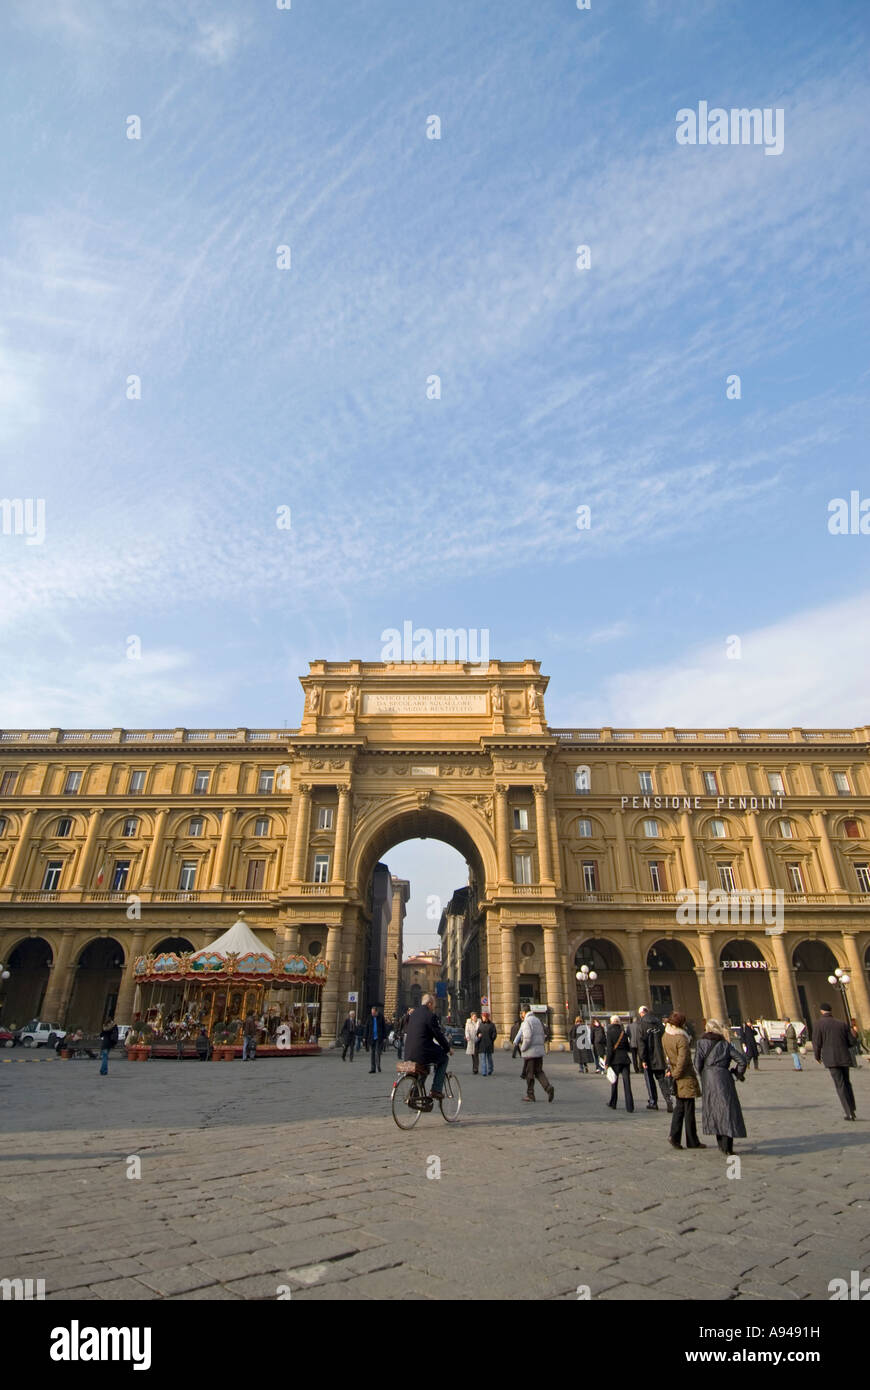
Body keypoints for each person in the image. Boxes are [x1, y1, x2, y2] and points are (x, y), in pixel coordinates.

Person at [695, 1019, 747, 1155]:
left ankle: (720, 1145)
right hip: (724, 1077)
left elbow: (697, 1064)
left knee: (713, 1109)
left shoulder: (701, 1043)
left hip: (708, 1078)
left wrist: (704, 1074)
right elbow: (742, 1061)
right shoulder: (725, 1044)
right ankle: (728, 1146)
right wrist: (737, 1074)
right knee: (727, 1110)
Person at [662, 1012, 706, 1150]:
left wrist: (672, 1072)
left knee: (680, 1108)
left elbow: (668, 1057)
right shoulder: (681, 1038)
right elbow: (683, 1059)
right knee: (688, 1109)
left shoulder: (665, 1036)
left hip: (675, 1073)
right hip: (684, 1076)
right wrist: (677, 1074)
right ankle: (692, 1141)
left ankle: (674, 1136)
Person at [813, 1004, 857, 1120]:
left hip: (831, 1059)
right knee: (847, 1083)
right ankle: (852, 1109)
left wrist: (817, 1056)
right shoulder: (842, 1023)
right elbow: (852, 1041)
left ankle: (849, 1113)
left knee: (840, 1085)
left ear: (822, 1011)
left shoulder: (819, 1024)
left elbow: (817, 1043)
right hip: (844, 1056)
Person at [402, 993, 451, 1098]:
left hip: (408, 1052)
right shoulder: (430, 1016)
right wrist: (447, 1048)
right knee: (444, 1059)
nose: (434, 1007)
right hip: (422, 1051)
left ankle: (415, 1093)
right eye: (434, 1005)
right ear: (429, 1004)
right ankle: (436, 1089)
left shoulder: (414, 1014)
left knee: (424, 1069)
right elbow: (438, 1035)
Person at [513, 1004, 554, 1103]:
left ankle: (530, 1095)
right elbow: (544, 1034)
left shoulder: (527, 1022)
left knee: (529, 1074)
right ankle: (548, 1088)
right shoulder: (537, 1020)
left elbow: (527, 1038)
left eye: (521, 1013)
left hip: (530, 1052)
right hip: (539, 1051)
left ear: (524, 1013)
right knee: (539, 1072)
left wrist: (523, 1048)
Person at [637, 1005, 673, 1112]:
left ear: (642, 1013)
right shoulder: (659, 1024)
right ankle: (668, 1100)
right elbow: (665, 1039)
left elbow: (641, 1043)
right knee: (662, 1080)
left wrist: (643, 1059)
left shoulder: (642, 1024)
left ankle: (653, 1102)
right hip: (659, 1056)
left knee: (650, 1081)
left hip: (648, 1057)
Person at [604, 1014, 633, 1112]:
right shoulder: (623, 1032)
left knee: (614, 1082)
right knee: (627, 1084)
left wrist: (607, 1062)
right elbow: (628, 1047)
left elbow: (609, 1049)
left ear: (611, 1022)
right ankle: (630, 1106)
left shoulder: (609, 1032)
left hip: (615, 1060)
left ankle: (613, 1103)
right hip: (625, 1060)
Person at [365, 1004, 387, 1073]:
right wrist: (364, 1037)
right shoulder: (369, 1017)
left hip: (379, 1037)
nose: (373, 1014)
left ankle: (378, 1065)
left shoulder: (381, 1017)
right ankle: (373, 1068)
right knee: (372, 1053)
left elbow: (384, 1027)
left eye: (374, 1013)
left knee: (377, 1052)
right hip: (371, 1038)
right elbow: (367, 1027)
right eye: (372, 1013)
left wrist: (385, 1037)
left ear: (377, 1012)